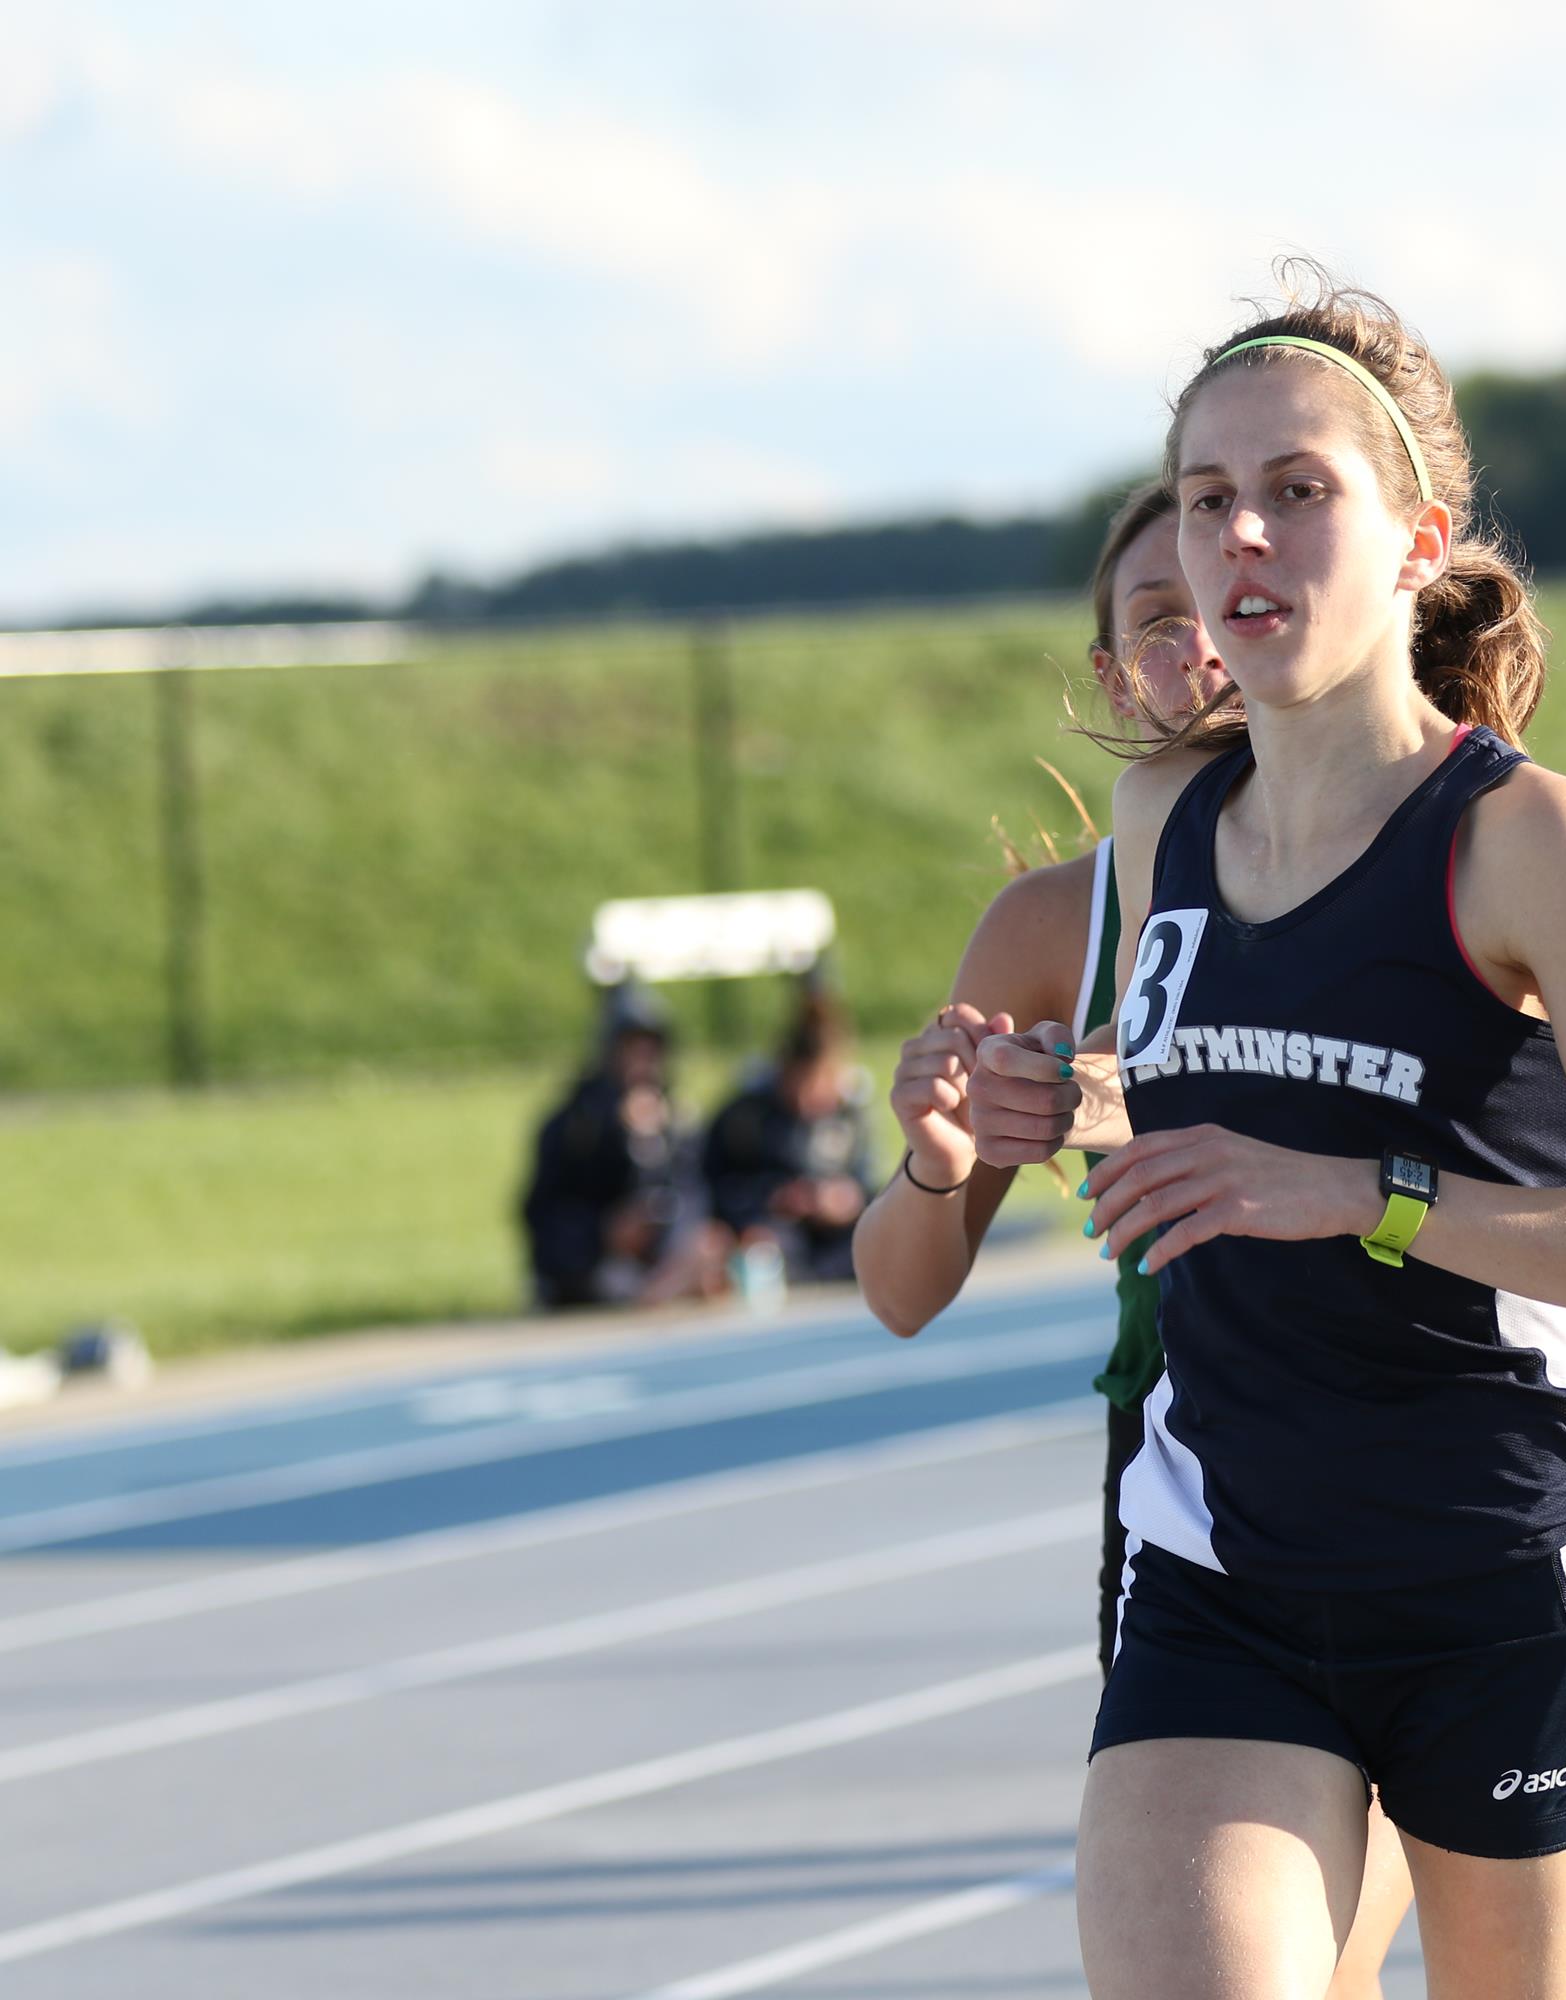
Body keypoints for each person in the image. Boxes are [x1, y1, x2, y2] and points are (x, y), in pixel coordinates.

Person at [969, 270, 1566, 2000]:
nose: (1237, 537)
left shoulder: (1525, 838)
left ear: (1416, 538)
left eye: (1297, 492)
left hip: (1499, 1573)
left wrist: (1363, 1197)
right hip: (1226, 1568)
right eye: (1203, 499)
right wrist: (1030, 1109)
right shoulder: (1167, 813)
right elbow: (1215, 1097)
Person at [854, 477, 1414, 1997]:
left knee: (1342, 1955)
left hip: (1425, 1451)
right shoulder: (1053, 925)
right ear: (1114, 678)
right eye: (1158, 620)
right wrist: (935, 1154)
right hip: (1187, 1471)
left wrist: (1116, 1094)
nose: (1206, 639)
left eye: (1224, 589)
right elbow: (901, 1291)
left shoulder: (1429, 843)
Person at [521, 980, 732, 1310]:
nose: (642, 1063)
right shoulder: (575, 1128)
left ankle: (672, 1280)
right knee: (614, 1282)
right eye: (632, 1050)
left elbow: (693, 1193)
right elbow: (544, 1213)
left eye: (651, 1051)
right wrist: (604, 1231)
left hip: (659, 1255)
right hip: (595, 1263)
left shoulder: (677, 1124)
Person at [703, 979, 878, 1285]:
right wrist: (773, 1200)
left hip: (835, 1243)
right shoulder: (748, 1116)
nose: (811, 1101)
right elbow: (714, 1183)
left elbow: (869, 1186)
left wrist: (842, 1201)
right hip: (767, 1240)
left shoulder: (849, 1115)